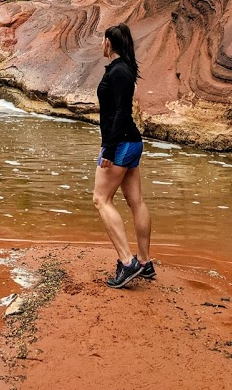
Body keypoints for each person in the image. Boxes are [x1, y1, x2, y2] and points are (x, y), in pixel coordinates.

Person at [92, 23, 154, 288]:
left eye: (102, 41)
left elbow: (120, 113)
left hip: (121, 145)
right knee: (136, 201)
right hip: (131, 142)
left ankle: (127, 262)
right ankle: (144, 262)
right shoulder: (125, 69)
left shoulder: (118, 72)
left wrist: (108, 147)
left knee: (101, 199)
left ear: (108, 43)